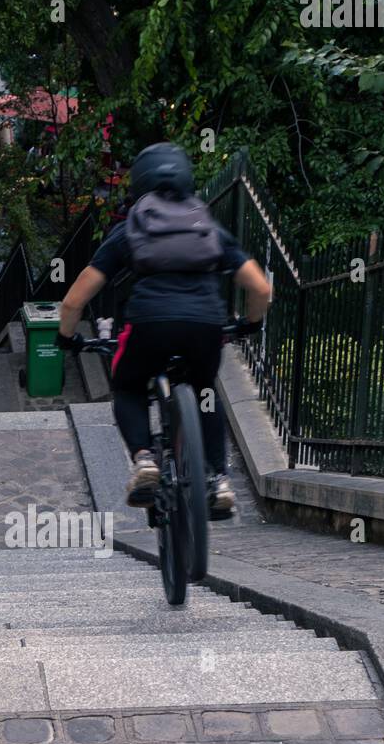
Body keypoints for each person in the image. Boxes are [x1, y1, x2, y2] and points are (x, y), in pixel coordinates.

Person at [56, 142, 271, 509]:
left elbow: (76, 299)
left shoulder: (130, 230)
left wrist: (67, 337)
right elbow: (260, 287)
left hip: (149, 326)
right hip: (205, 327)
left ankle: (144, 459)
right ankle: (218, 480)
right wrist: (250, 323)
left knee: (127, 386)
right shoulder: (208, 229)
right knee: (205, 390)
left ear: (138, 184)